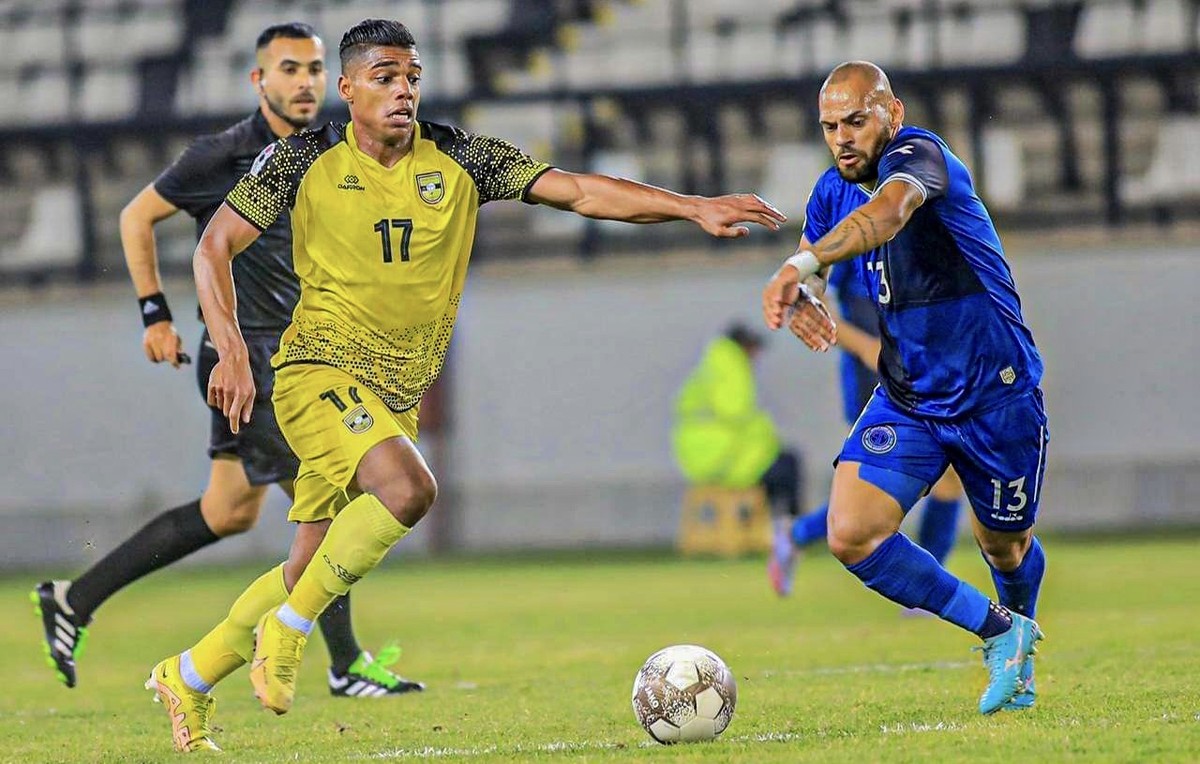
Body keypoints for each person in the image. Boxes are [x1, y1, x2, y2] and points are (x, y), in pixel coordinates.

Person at [145, 18, 786, 752]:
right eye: (384, 77)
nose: (403, 91)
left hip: (393, 392)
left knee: (307, 565)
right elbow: (213, 245)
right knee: (410, 491)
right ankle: (287, 634)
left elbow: (576, 191)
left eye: (412, 77)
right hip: (316, 369)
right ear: (347, 88)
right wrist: (228, 345)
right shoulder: (300, 159)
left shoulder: (462, 156)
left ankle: (187, 676)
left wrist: (691, 207)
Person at [32, 23, 422, 699]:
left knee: (229, 508)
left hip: (299, 348)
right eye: (288, 68)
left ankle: (74, 599)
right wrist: (153, 312)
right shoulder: (223, 154)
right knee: (330, 495)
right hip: (255, 359)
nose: (302, 81)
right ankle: (343, 662)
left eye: (311, 69)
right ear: (259, 80)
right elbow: (135, 217)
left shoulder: (324, 150)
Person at [762, 61, 1047, 715]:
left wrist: (799, 265)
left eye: (856, 121)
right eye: (830, 126)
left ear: (891, 113)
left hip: (994, 392)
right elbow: (819, 258)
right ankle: (1001, 633)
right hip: (910, 394)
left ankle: (1020, 638)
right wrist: (808, 292)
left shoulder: (922, 157)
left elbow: (889, 215)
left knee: (1004, 544)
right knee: (850, 532)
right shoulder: (832, 189)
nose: (842, 138)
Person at [773, 261, 964, 599]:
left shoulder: (920, 227)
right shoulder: (851, 240)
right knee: (871, 495)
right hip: (875, 380)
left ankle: (932, 586)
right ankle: (795, 536)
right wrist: (865, 347)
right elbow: (817, 302)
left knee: (948, 477)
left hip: (927, 372)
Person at [671, 322, 804, 568]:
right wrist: (771, 440)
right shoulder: (733, 370)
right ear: (745, 347)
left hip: (698, 460)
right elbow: (739, 416)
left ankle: (766, 528)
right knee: (787, 465)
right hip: (726, 459)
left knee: (778, 462)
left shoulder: (708, 368)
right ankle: (792, 534)